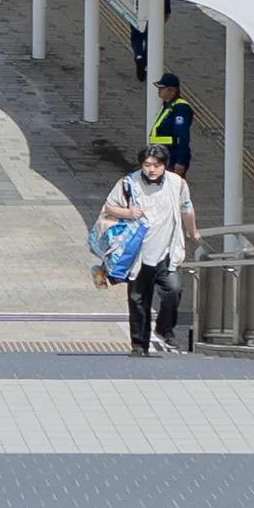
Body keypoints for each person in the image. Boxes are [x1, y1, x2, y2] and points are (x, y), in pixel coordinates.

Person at [99, 143, 197, 355]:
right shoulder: (128, 183)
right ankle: (139, 345)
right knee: (138, 300)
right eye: (147, 165)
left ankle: (164, 327)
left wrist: (193, 231)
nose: (151, 170)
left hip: (166, 253)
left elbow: (187, 209)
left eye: (157, 165)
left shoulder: (177, 184)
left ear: (165, 165)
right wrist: (128, 212)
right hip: (137, 255)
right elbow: (109, 206)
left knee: (173, 290)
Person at [148, 72, 195, 177]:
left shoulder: (180, 108)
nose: (159, 90)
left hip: (172, 156)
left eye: (162, 88)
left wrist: (181, 161)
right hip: (163, 155)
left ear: (172, 91)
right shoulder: (168, 106)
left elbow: (183, 135)